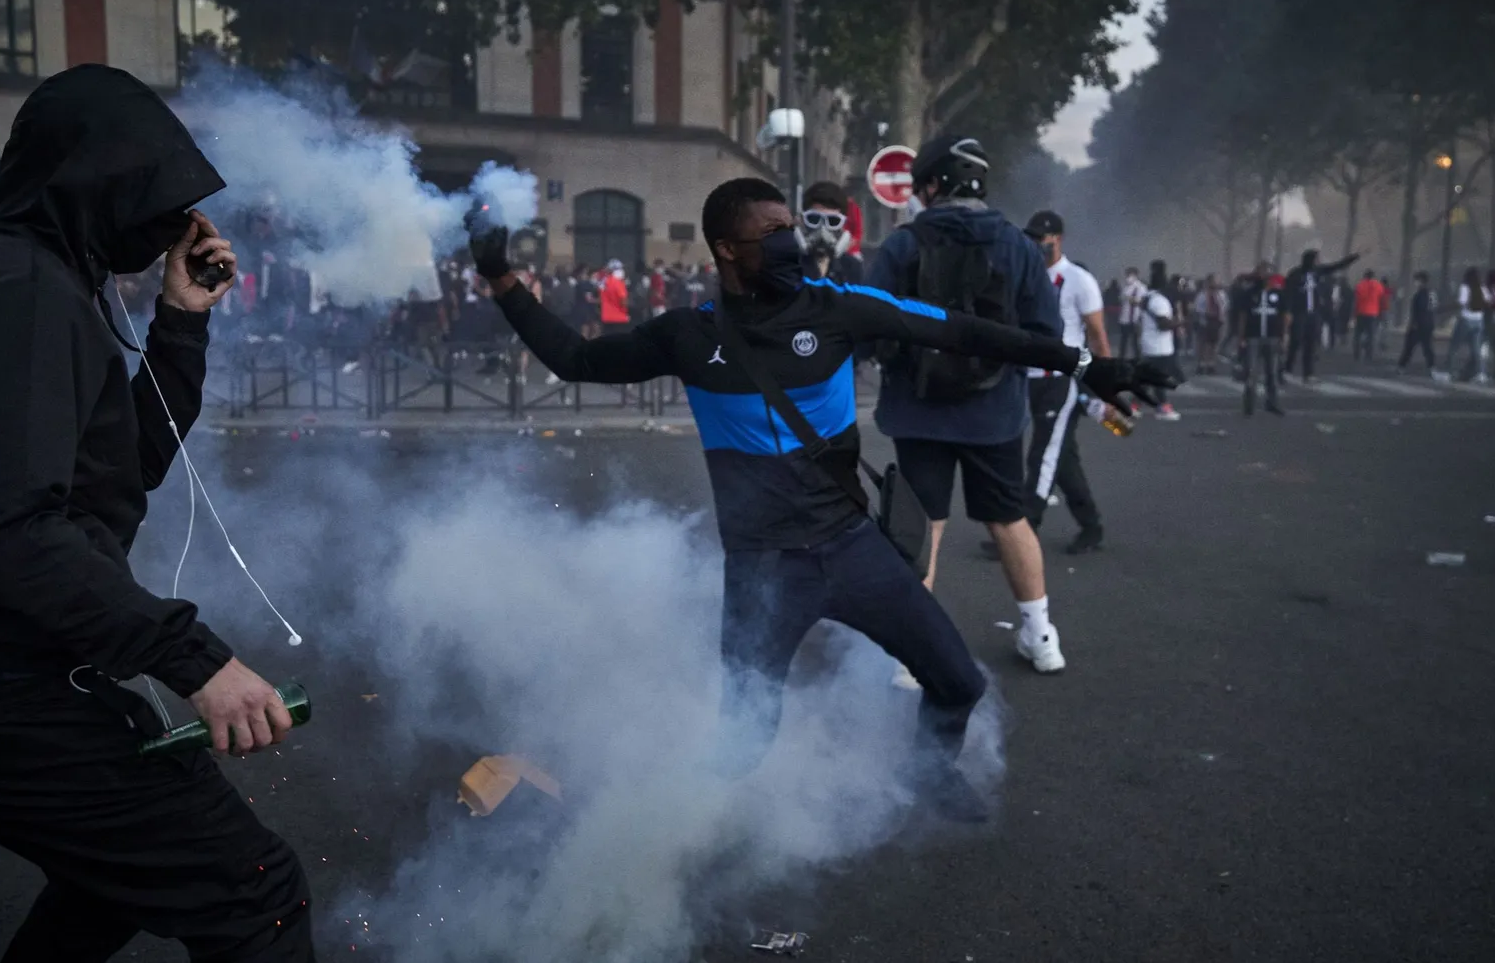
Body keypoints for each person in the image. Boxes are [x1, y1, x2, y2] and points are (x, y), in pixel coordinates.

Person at [474, 175, 1171, 821]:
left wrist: (1089, 364)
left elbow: (962, 330)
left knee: (959, 682)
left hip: (853, 546)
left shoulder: (837, 307)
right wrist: (503, 280)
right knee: (743, 744)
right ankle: (656, 825)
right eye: (772, 232)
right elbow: (576, 359)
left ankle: (930, 772)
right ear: (726, 248)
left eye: (791, 227)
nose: (791, 242)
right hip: (763, 569)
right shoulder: (688, 335)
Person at [0, 66, 313, 960]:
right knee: (256, 891)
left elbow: (119, 471)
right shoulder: (17, 293)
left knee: (110, 882)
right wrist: (194, 660)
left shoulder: (48, 279)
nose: (169, 221)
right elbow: (15, 532)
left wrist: (179, 321)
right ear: (89, 180)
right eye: (149, 195)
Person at [868, 135, 1107, 679]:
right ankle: (1041, 636)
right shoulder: (1020, 247)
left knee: (923, 526)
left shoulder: (903, 246)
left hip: (918, 411)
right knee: (1008, 520)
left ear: (932, 184)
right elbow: (1046, 334)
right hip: (994, 413)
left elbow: (868, 327)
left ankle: (912, 653)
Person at [986, 211, 1109, 557]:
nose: (1039, 243)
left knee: (1042, 455)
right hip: (1028, 376)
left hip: (1062, 379)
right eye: (1034, 236)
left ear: (1059, 238)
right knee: (1063, 458)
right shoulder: (1024, 275)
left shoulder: (1078, 280)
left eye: (1045, 237)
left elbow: (1098, 337)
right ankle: (1091, 526)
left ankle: (1023, 530)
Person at [1282, 249, 1359, 382]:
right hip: (1299, 312)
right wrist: (1287, 311)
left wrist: (1355, 256)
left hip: (1314, 313)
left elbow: (1337, 266)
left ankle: (1308, 373)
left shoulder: (1318, 272)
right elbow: (1288, 294)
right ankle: (1287, 368)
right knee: (1296, 341)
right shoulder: (1295, 274)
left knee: (1311, 344)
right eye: (1316, 259)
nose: (1319, 261)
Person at [1232, 261, 1287, 416]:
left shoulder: (1279, 294)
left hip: (1272, 337)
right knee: (1251, 371)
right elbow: (1243, 316)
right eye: (1260, 273)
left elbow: (1284, 317)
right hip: (1253, 337)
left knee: (1272, 372)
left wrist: (1284, 337)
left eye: (1266, 273)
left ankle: (1272, 402)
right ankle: (1249, 405)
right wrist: (1241, 337)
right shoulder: (1248, 294)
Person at [1138, 260, 1183, 421]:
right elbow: (1164, 324)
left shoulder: (1147, 297)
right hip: (1160, 346)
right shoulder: (1160, 301)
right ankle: (1163, 408)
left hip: (1149, 344)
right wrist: (1180, 322)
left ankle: (1134, 406)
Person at [799, 181, 865, 285]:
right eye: (814, 219)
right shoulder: (786, 264)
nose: (822, 229)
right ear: (802, 220)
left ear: (843, 224)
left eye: (833, 221)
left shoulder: (852, 267)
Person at [1436, 268, 1491, 383]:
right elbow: (1489, 301)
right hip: (1479, 321)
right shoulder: (1483, 288)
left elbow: (1461, 303)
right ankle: (1481, 373)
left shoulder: (1465, 287)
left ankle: (1447, 372)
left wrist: (1444, 309)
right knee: (1476, 349)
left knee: (1454, 347)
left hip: (1466, 320)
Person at [1192, 274, 1228, 375]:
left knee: (1214, 343)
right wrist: (1206, 312)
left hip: (1217, 322)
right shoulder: (1202, 295)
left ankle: (1211, 364)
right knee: (1203, 344)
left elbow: (1224, 306)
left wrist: (1221, 315)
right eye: (1212, 282)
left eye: (1215, 282)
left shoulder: (1221, 294)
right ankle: (1201, 364)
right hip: (1205, 321)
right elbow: (1197, 308)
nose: (1214, 285)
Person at [1352, 270, 1386, 362]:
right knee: (1371, 335)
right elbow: (1381, 300)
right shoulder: (1379, 286)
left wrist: (1354, 314)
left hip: (1360, 313)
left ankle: (1356, 354)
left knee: (1357, 335)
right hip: (1373, 313)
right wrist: (1381, 312)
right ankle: (1369, 355)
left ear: (1364, 276)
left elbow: (1356, 300)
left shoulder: (1359, 285)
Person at [1116, 267, 1146, 359]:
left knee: (1135, 341)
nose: (1127, 277)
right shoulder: (1125, 287)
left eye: (1129, 275)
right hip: (1124, 317)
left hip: (1134, 318)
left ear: (1135, 275)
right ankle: (1121, 358)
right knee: (1123, 340)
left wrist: (1129, 298)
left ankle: (1138, 359)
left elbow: (1141, 302)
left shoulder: (1140, 287)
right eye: (1127, 275)